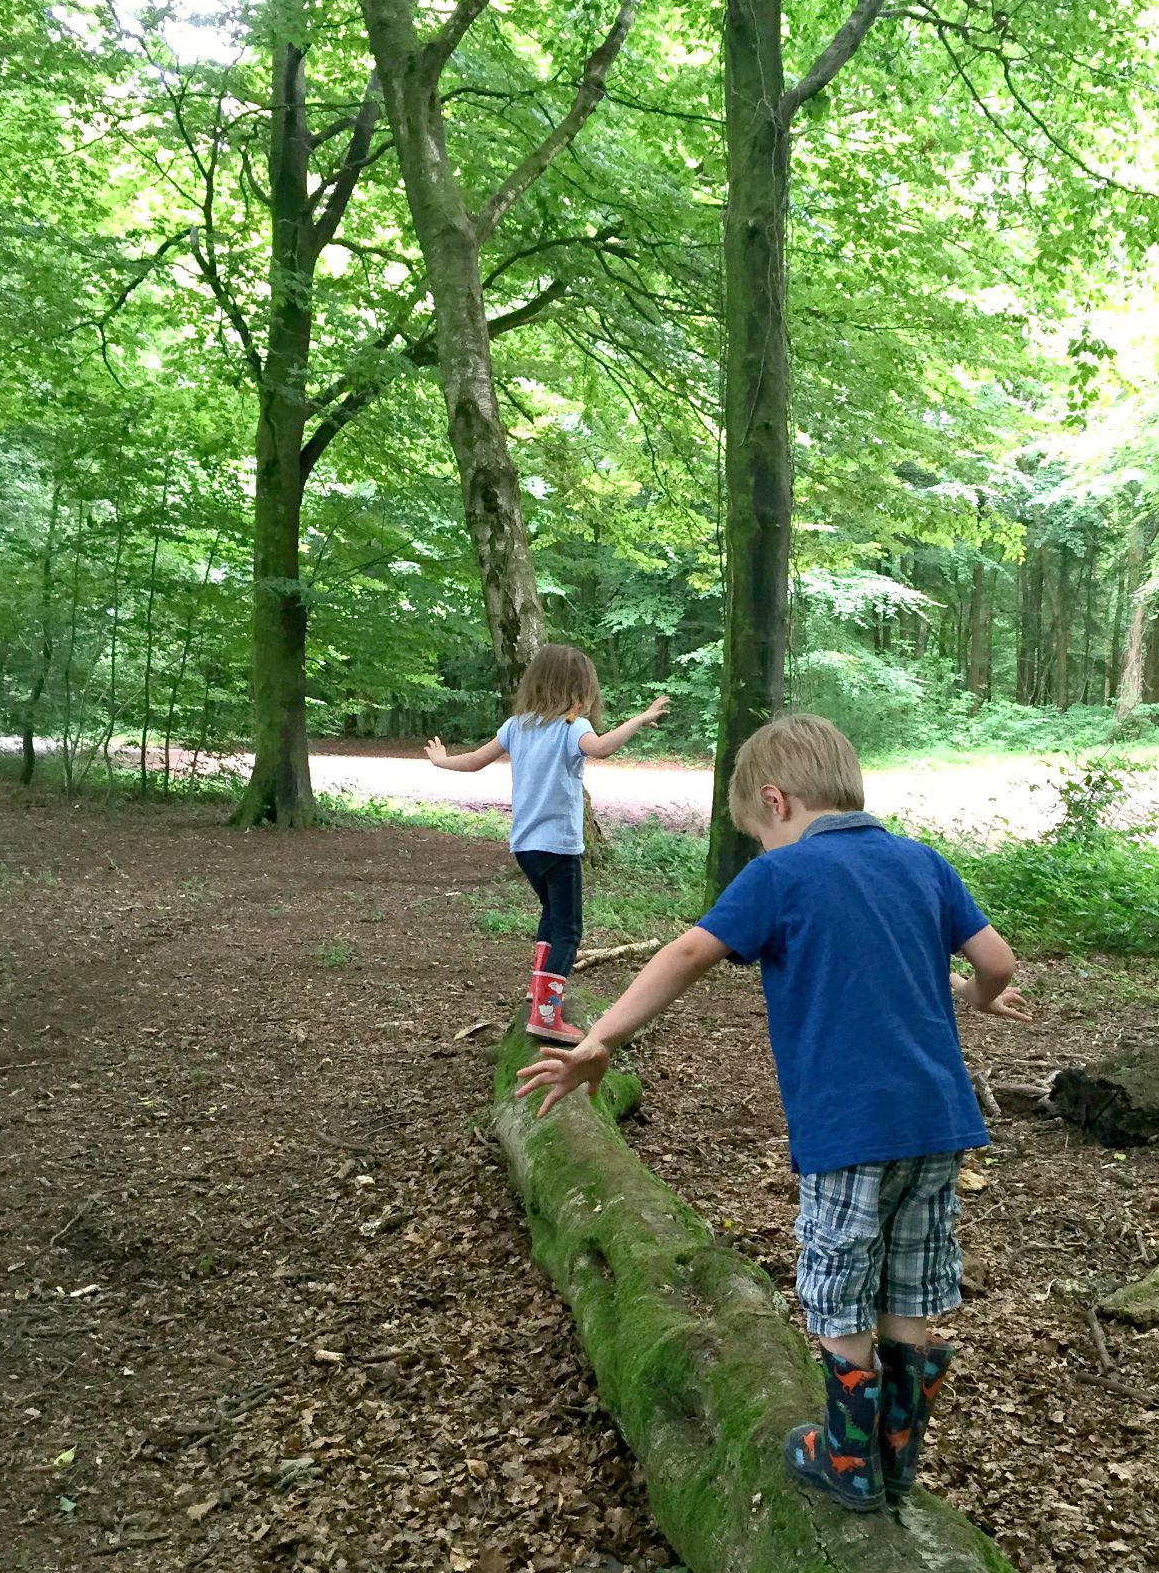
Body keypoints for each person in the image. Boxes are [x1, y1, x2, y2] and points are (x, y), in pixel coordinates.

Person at [516, 712, 1029, 1513]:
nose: (761, 848)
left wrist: (602, 1036)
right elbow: (997, 962)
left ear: (774, 800)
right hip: (939, 1122)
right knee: (912, 1278)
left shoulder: (783, 877)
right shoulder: (922, 863)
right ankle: (899, 1455)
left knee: (839, 1273)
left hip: (847, 1127)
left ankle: (848, 1459)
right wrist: (973, 997)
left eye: (758, 833)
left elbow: (688, 953)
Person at [425, 645, 669, 1045]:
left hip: (525, 846)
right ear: (580, 690)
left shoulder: (517, 726)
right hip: (558, 846)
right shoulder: (572, 728)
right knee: (569, 930)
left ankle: (537, 991)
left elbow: (473, 761)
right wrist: (640, 719)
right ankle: (546, 1015)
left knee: (550, 916)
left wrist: (440, 760)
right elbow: (603, 748)